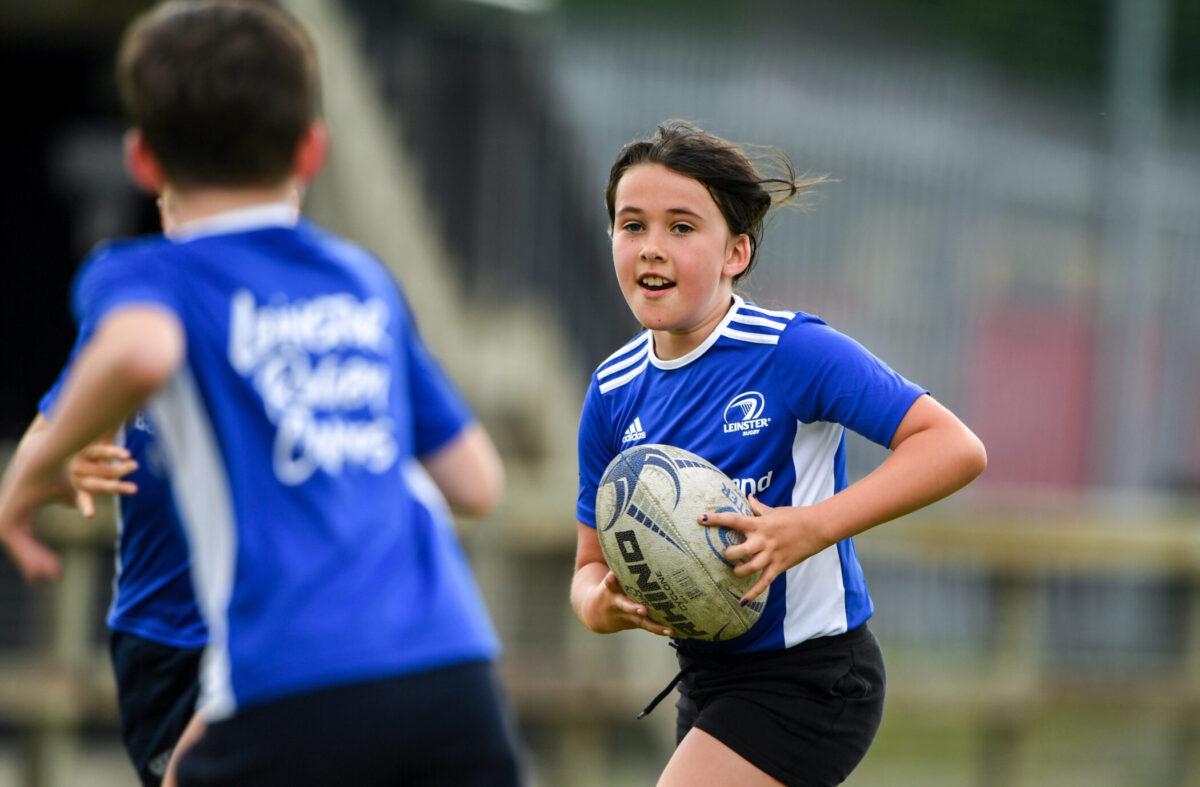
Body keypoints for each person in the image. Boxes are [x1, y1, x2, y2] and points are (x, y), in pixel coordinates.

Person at [0, 1, 524, 784]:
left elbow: (141, 353)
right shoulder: (361, 284)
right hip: (445, 665)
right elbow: (478, 483)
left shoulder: (147, 281)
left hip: (276, 666)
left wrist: (32, 469)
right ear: (314, 150)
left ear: (144, 160)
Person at [571, 120, 987, 787]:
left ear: (736, 251)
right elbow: (588, 567)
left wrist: (809, 528)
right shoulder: (612, 391)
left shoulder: (791, 351)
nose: (651, 248)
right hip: (706, 681)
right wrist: (599, 605)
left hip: (813, 676)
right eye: (632, 224)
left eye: (681, 227)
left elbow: (953, 447)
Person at [6, 395, 207, 787]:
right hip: (162, 641)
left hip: (271, 629)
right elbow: (39, 445)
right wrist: (64, 461)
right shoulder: (132, 335)